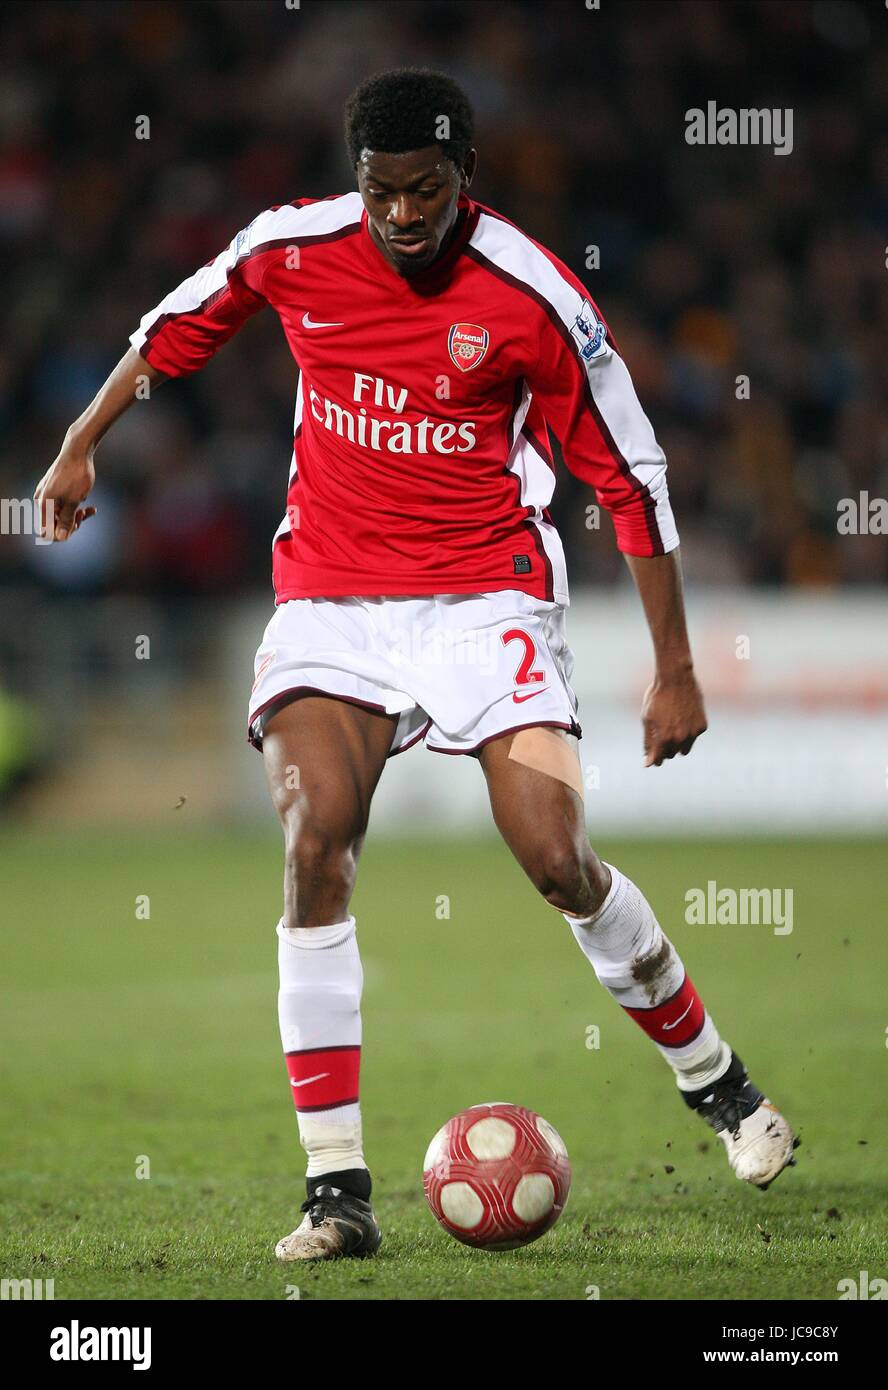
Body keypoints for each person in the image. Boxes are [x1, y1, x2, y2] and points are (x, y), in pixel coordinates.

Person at [34, 67, 796, 1263]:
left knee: (556, 858)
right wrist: (80, 446)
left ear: (467, 178)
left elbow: (630, 477)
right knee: (313, 840)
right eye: (382, 188)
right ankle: (337, 1191)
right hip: (332, 600)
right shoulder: (292, 249)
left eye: (426, 190)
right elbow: (168, 332)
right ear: (358, 178)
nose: (401, 213)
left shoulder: (532, 297)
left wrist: (676, 668)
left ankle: (722, 1085)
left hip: (485, 592)